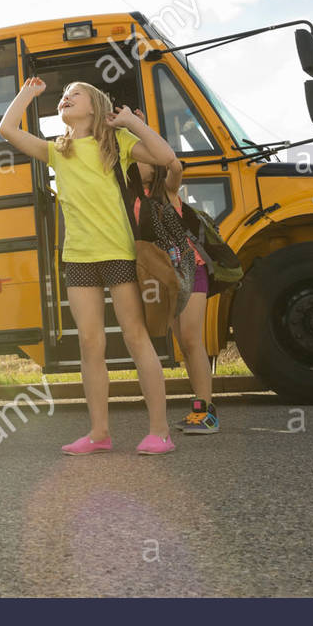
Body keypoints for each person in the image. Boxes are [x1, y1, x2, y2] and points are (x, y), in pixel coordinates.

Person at [0, 78, 179, 455]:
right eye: (63, 95)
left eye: (74, 93)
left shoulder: (117, 144)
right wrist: (27, 94)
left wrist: (131, 122)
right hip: (77, 256)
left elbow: (165, 158)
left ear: (95, 106)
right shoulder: (56, 150)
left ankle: (160, 432)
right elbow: (7, 130)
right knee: (89, 343)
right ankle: (99, 434)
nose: (65, 97)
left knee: (134, 337)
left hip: (119, 253)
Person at [129, 152, 219, 435]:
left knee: (192, 339)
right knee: (184, 343)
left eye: (143, 157)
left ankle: (207, 411)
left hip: (190, 269)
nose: (137, 161)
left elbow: (176, 165)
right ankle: (199, 408)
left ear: (155, 167)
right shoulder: (130, 196)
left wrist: (139, 129)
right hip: (165, 277)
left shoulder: (168, 190)